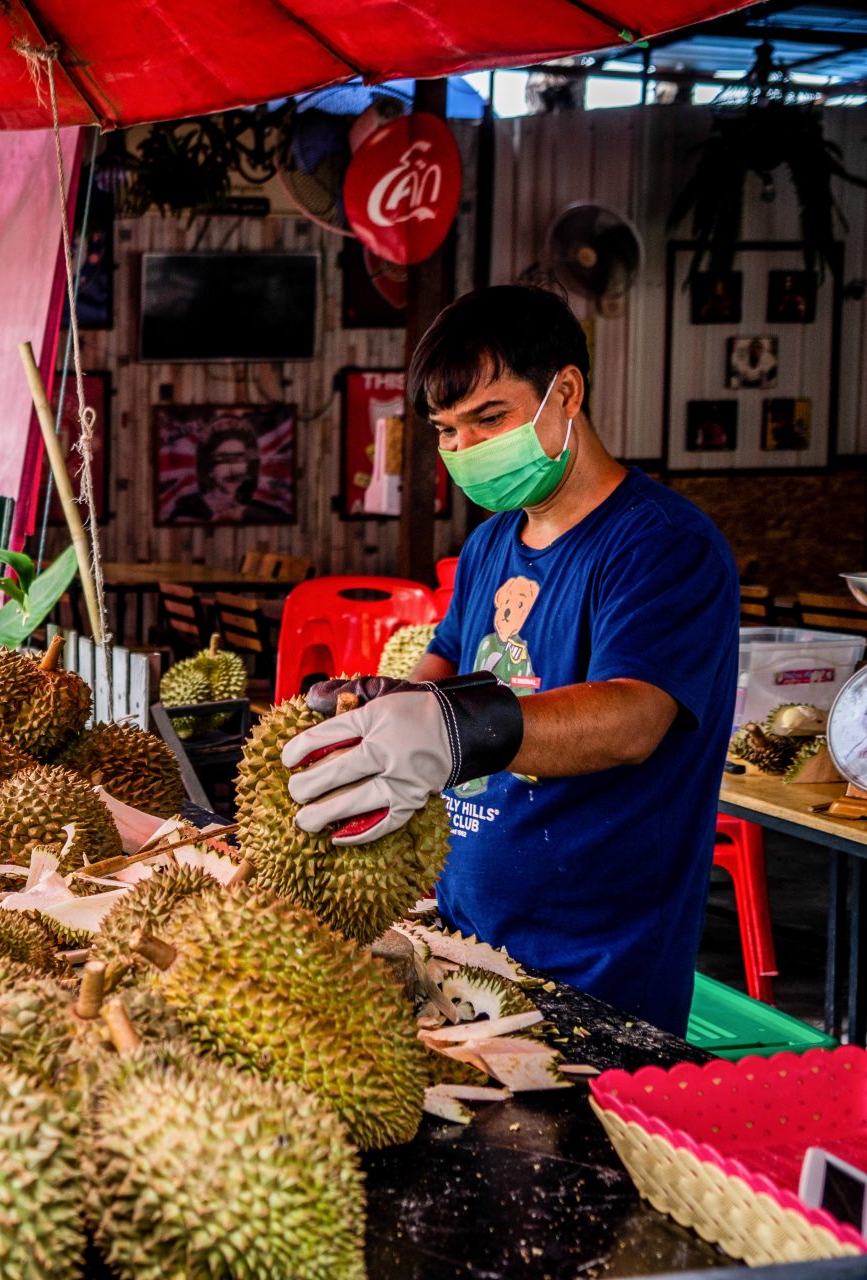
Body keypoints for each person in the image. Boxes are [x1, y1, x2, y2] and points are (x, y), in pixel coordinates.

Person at [282, 285, 738, 1035]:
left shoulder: (662, 544)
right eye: (446, 431)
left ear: (565, 391)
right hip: (464, 937)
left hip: (597, 969)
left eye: (488, 418)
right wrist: (376, 711)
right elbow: (449, 660)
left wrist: (452, 732)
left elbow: (634, 716)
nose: (465, 450)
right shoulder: (495, 540)